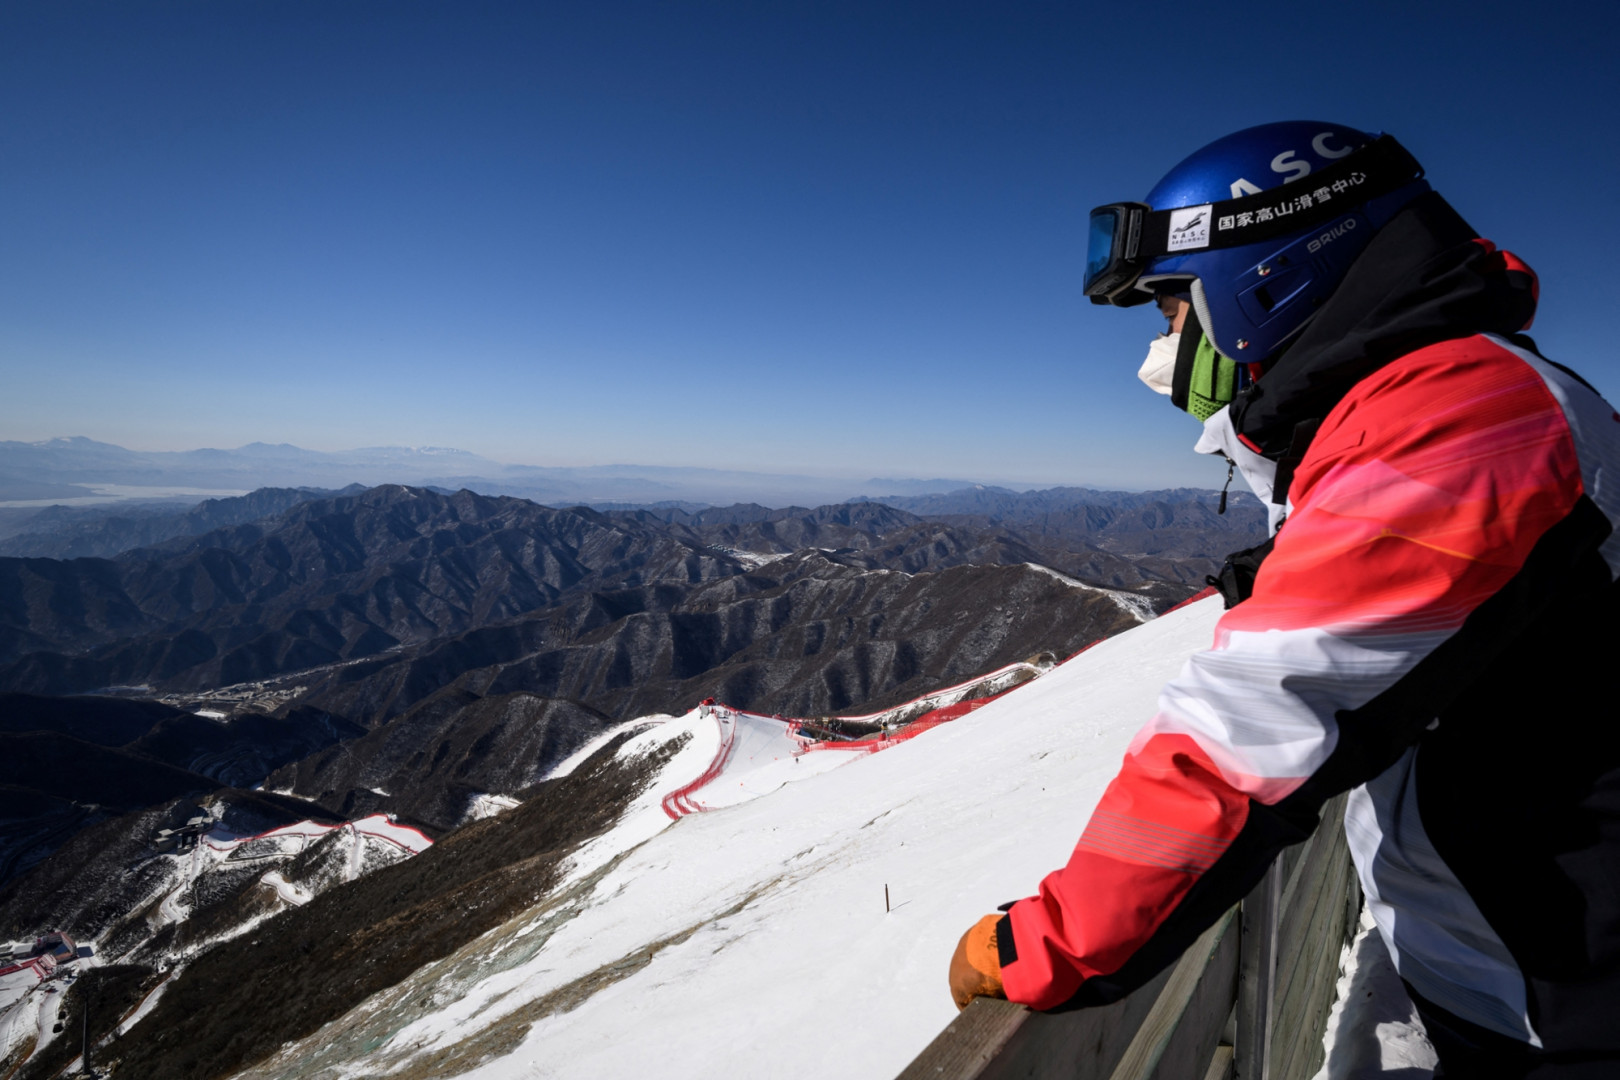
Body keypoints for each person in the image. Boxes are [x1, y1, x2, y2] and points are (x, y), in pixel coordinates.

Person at [948, 121, 1620, 1078]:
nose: (1162, 347)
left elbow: (1251, 728)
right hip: (1520, 966)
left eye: (1172, 307)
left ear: (1265, 279)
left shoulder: (1463, 418)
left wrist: (1050, 937)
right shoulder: (1425, 406)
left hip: (1570, 998)